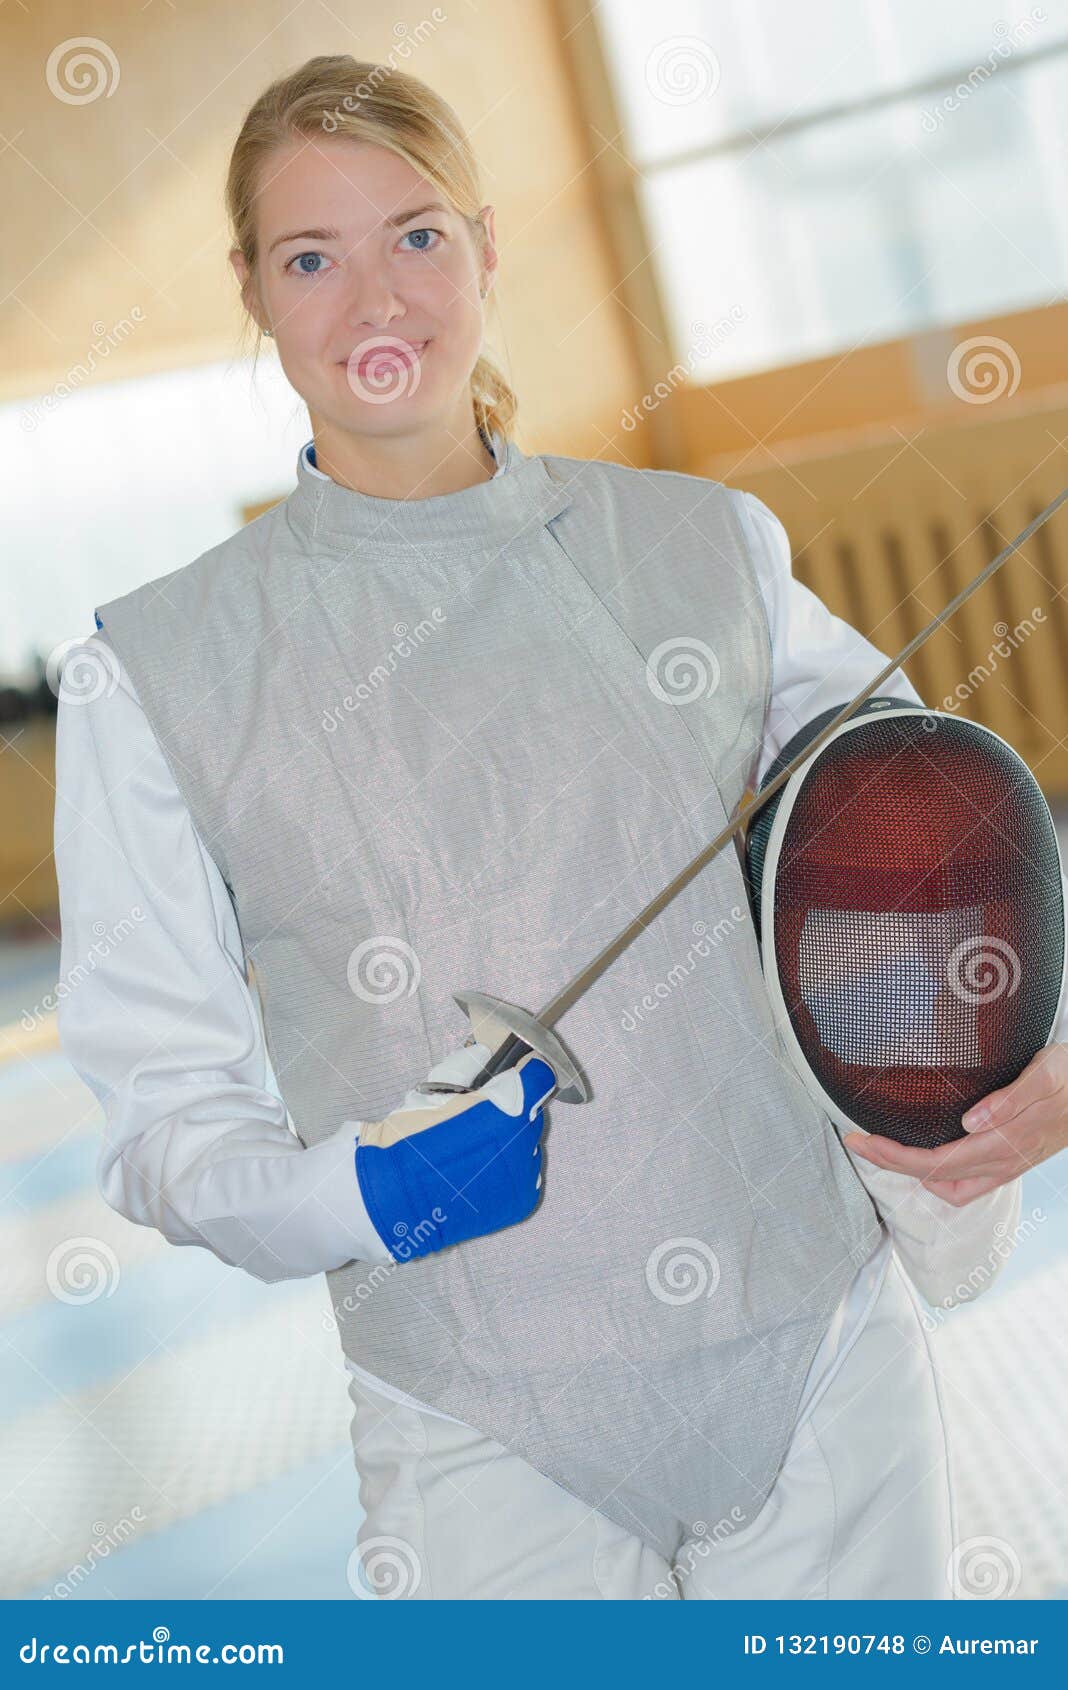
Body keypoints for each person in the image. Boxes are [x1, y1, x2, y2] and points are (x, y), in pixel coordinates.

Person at [53, 53, 1068, 1602]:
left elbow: (941, 851)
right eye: (311, 258)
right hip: (476, 1415)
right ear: (250, 290)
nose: (375, 299)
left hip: (818, 1347)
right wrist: (353, 1194)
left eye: (416, 236)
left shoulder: (709, 547)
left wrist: (1033, 1063)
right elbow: (160, 1113)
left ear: (484, 248)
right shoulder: (158, 667)